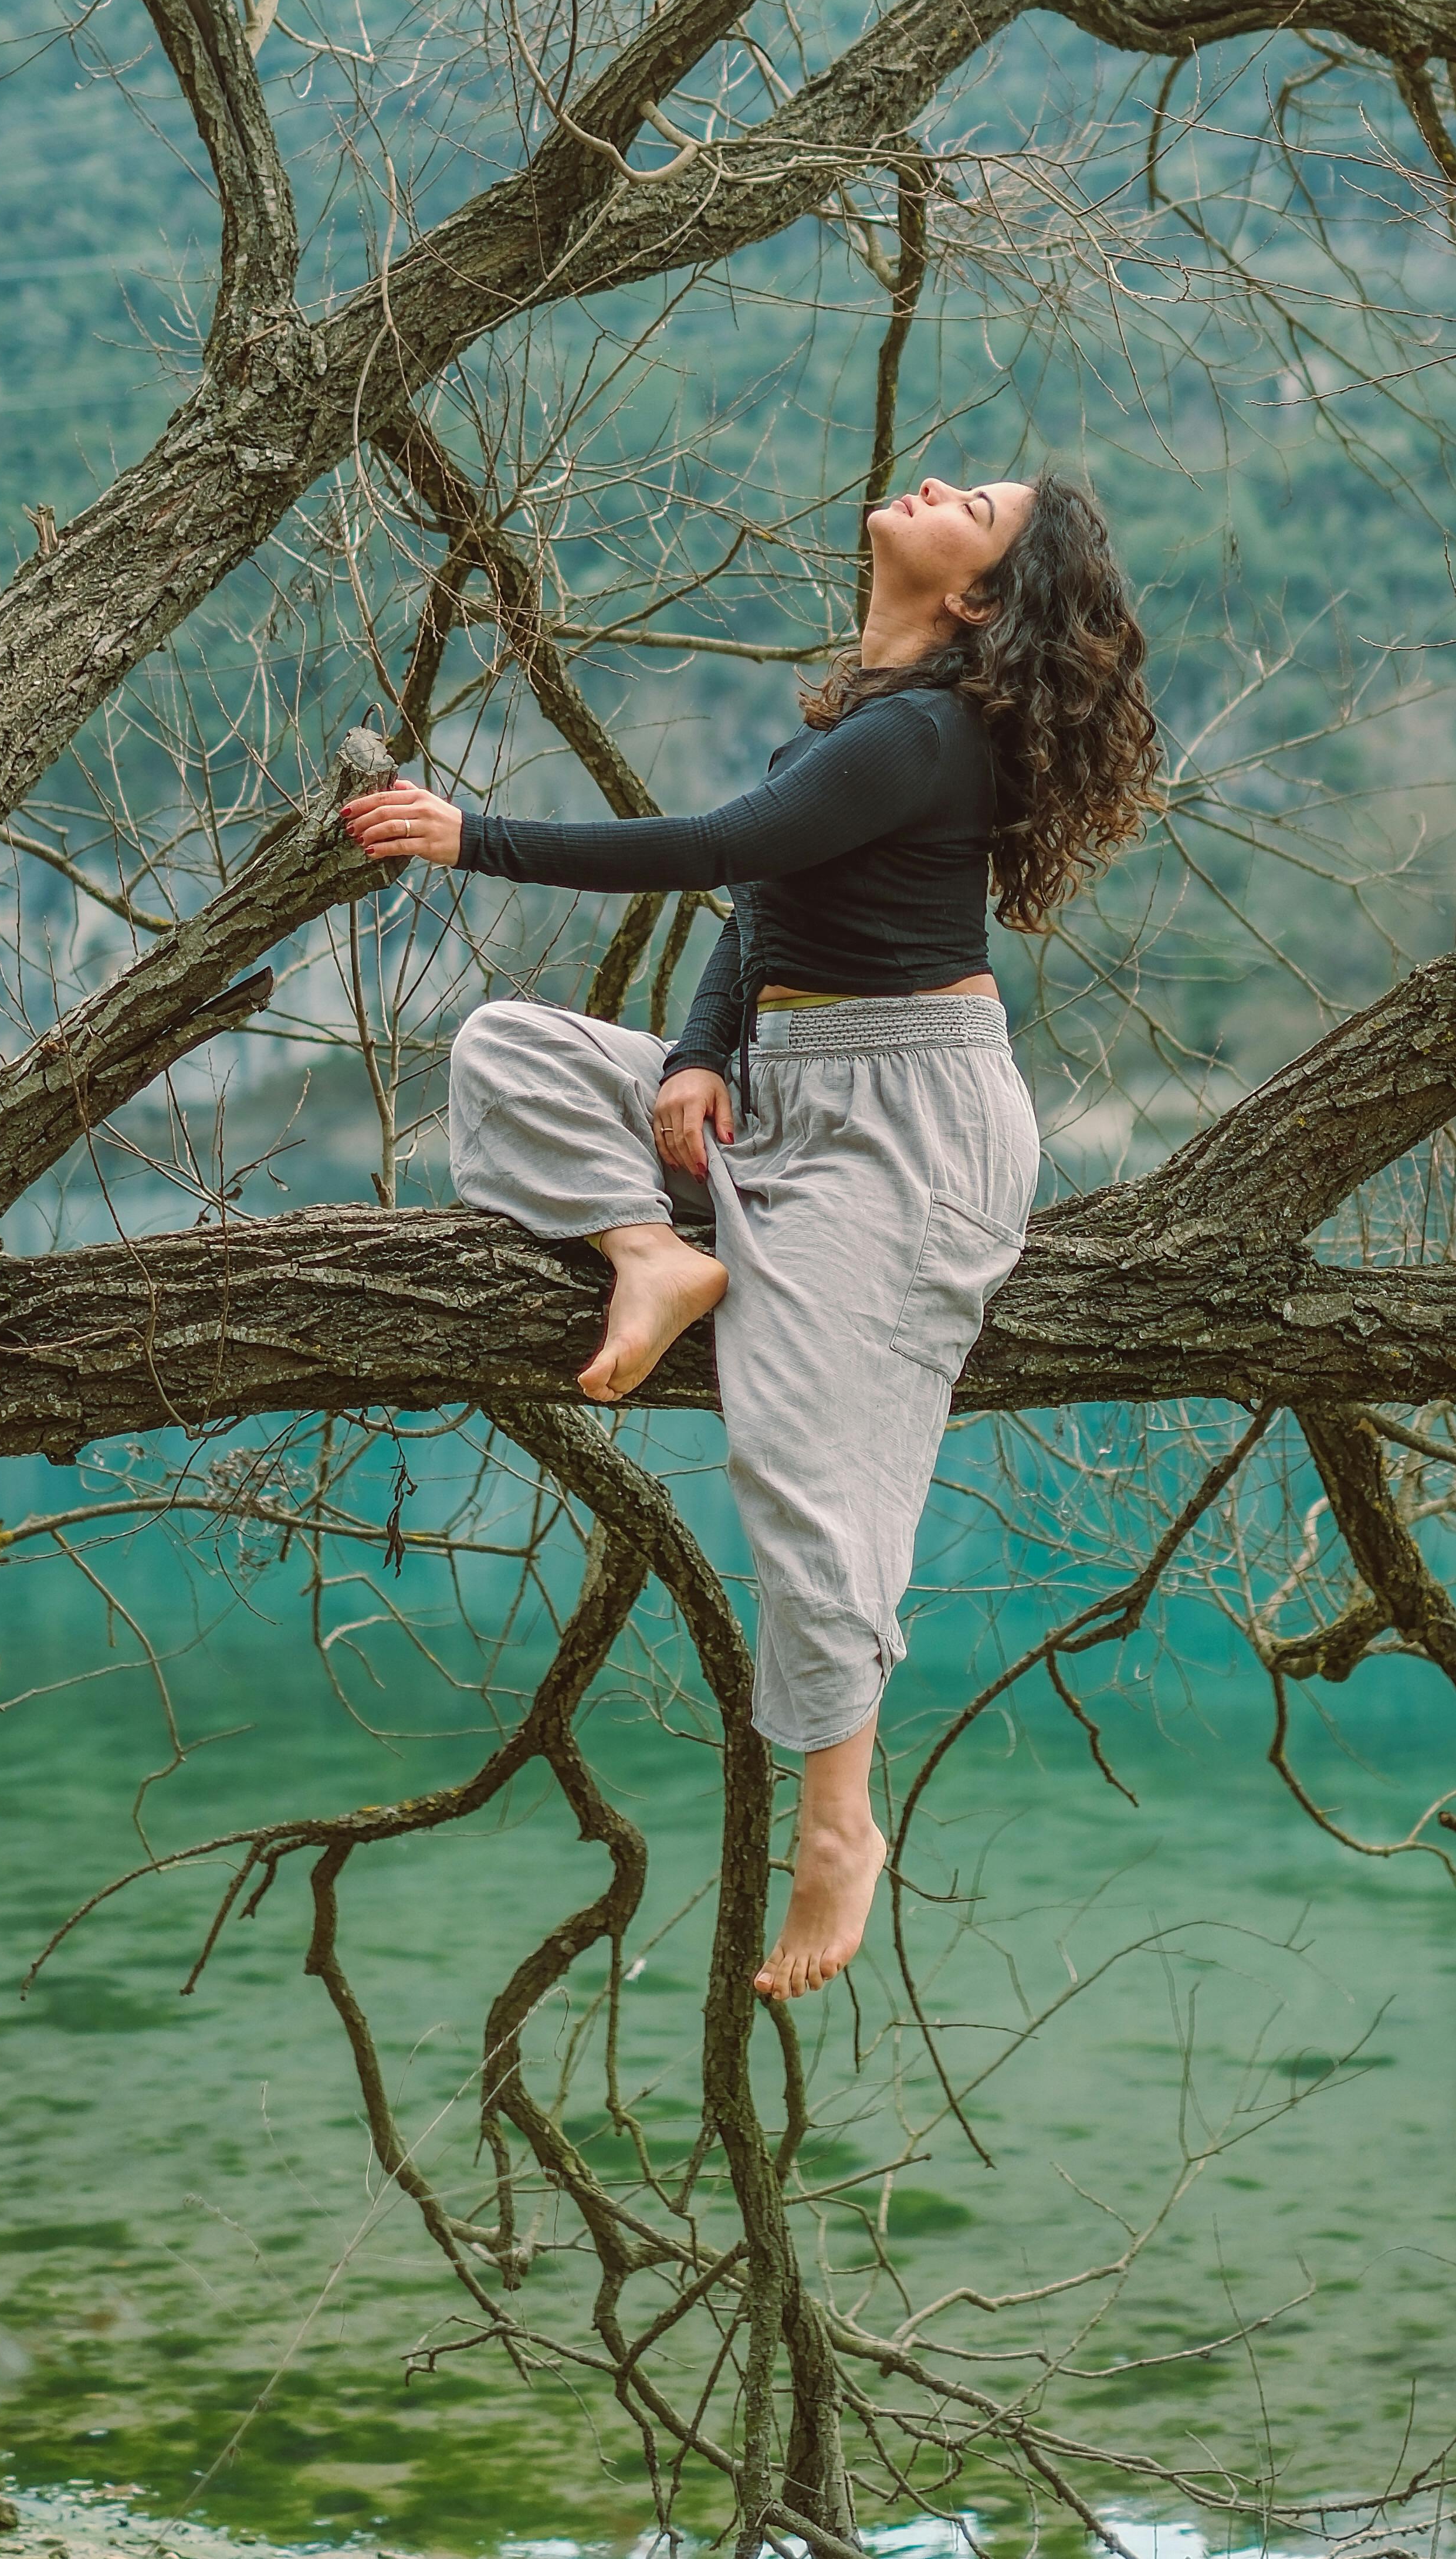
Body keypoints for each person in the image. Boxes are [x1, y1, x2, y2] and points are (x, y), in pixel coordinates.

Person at [340, 469, 1159, 2003]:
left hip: (909, 1137)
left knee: (800, 1446)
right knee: (510, 1053)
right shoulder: (867, 719)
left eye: (973, 503)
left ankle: (839, 1816)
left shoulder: (920, 737)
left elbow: (713, 848)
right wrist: (706, 1051)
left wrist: (472, 838)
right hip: (791, 1091)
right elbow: (762, 902)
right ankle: (650, 1252)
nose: (935, 479)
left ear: (977, 595)